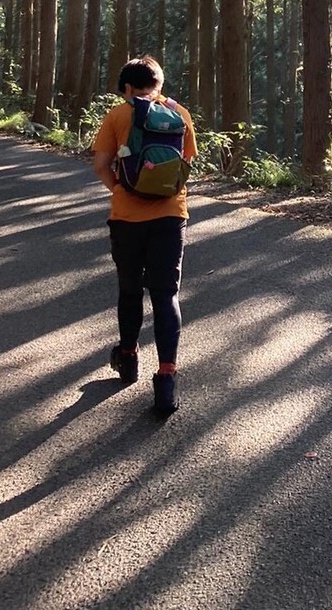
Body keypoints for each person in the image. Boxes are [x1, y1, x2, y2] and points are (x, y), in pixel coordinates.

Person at [92, 56, 197, 418]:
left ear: (127, 88)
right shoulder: (179, 113)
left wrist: (121, 189)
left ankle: (129, 358)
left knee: (130, 289)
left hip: (126, 217)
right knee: (166, 295)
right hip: (171, 216)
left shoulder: (118, 115)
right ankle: (166, 377)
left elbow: (101, 164)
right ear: (159, 84)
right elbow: (185, 164)